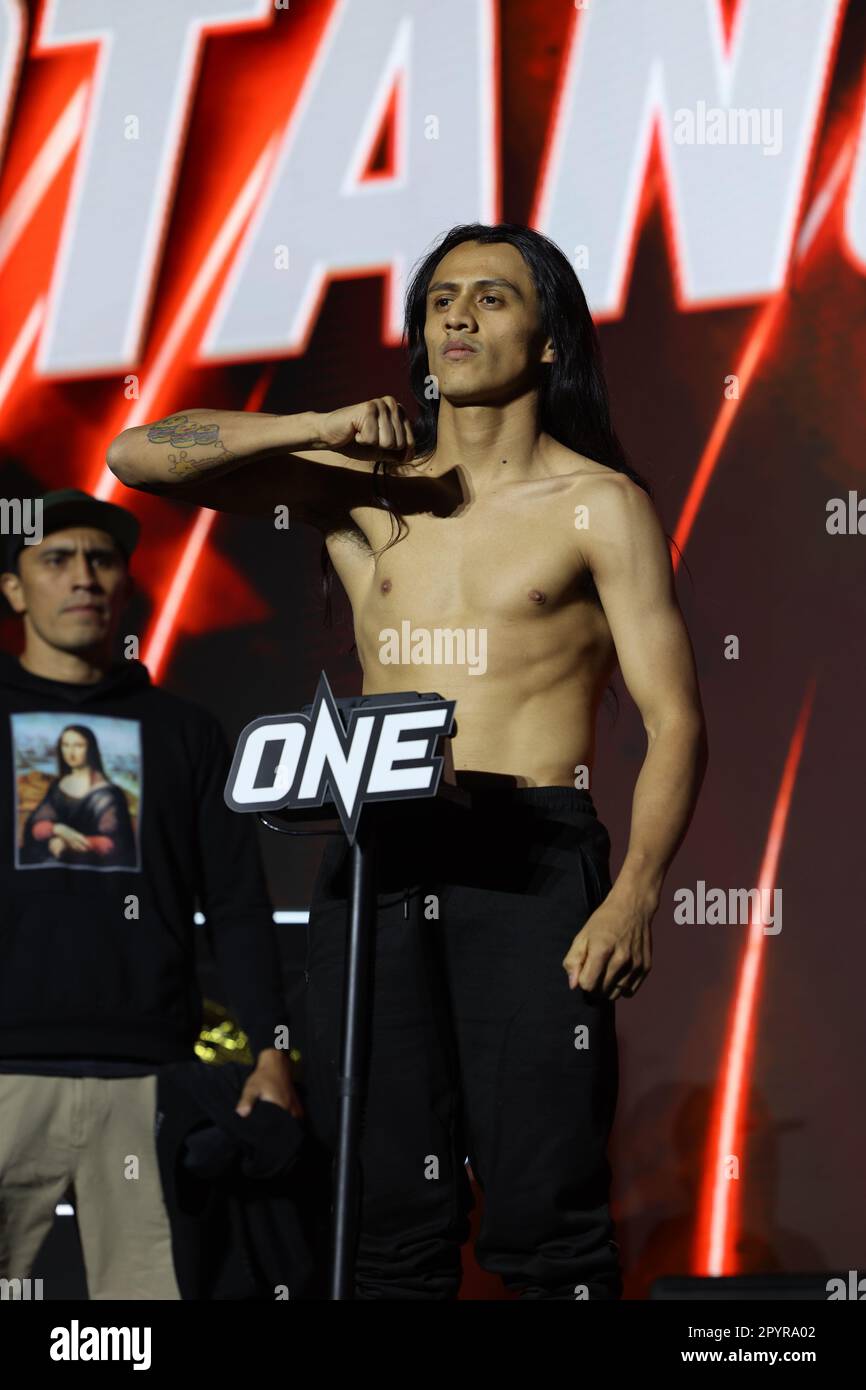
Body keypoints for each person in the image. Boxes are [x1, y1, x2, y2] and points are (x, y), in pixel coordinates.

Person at [108, 221, 708, 1300]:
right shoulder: (364, 486)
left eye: (490, 296)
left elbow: (674, 720)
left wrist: (634, 895)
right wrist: (317, 423)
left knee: (545, 1212)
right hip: (380, 860)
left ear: (547, 343)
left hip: (528, 861)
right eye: (438, 299)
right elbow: (138, 455)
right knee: (384, 1217)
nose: (458, 315)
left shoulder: (598, 505)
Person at [0, 488, 302, 1299]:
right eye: (55, 559)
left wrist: (271, 1051)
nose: (83, 577)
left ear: (125, 586)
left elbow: (238, 906)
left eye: (101, 559)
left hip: (145, 1079)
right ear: (14, 589)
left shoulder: (185, 733)